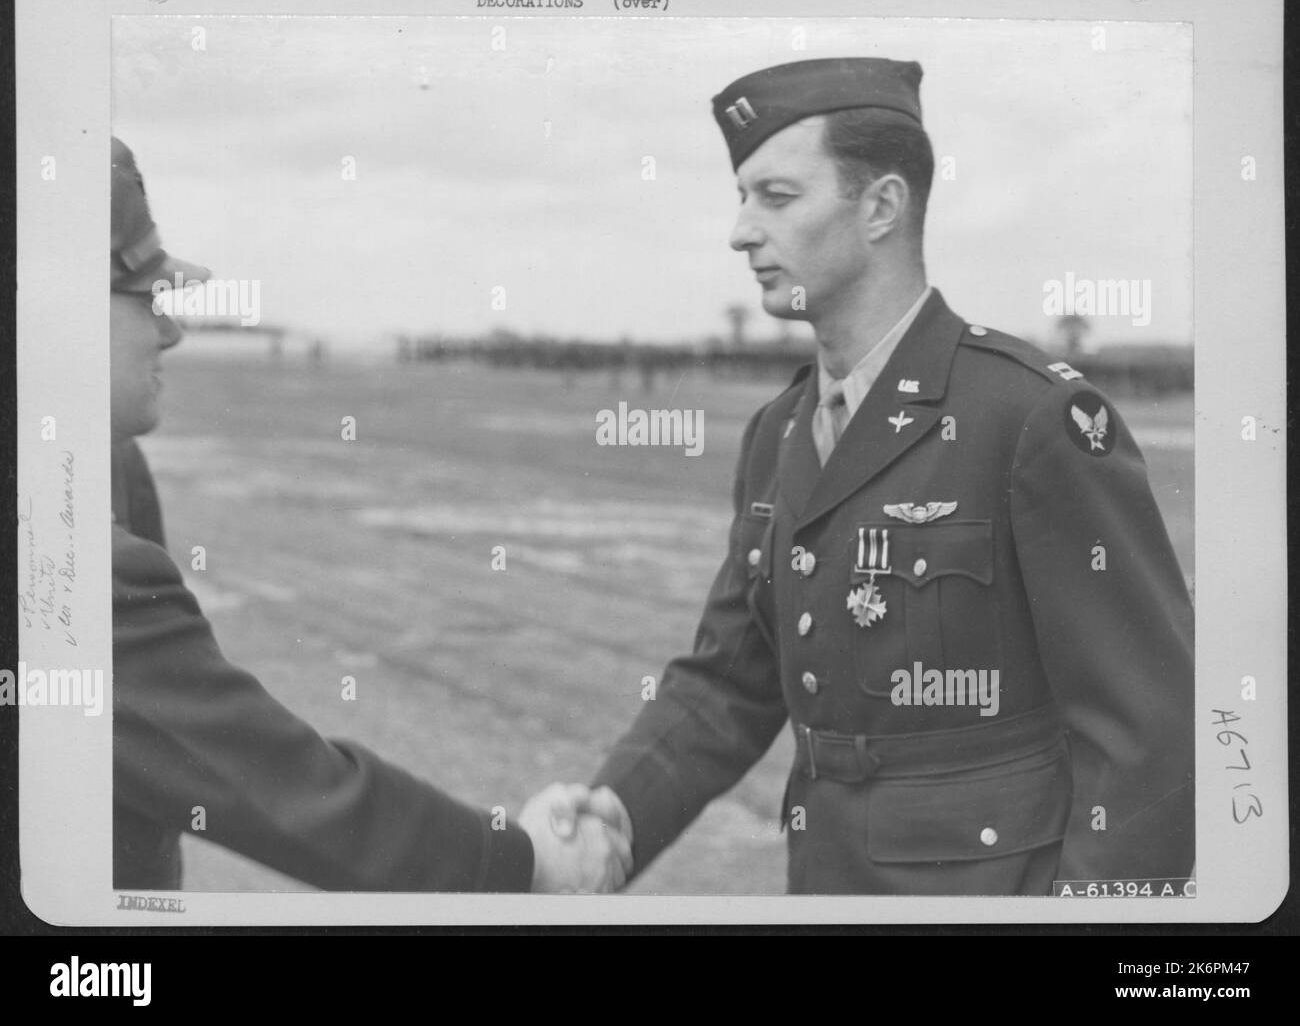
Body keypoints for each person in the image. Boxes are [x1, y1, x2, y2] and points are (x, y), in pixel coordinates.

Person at [536, 58, 1195, 894]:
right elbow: (730, 680)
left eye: (775, 197)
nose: (740, 230)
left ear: (881, 206)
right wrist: (617, 816)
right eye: (741, 197)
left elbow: (1152, 732)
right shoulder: (779, 431)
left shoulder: (1027, 420)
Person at [109, 137, 630, 893]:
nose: (172, 328)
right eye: (145, 299)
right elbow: (274, 780)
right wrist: (522, 864)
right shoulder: (66, 555)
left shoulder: (114, 464)